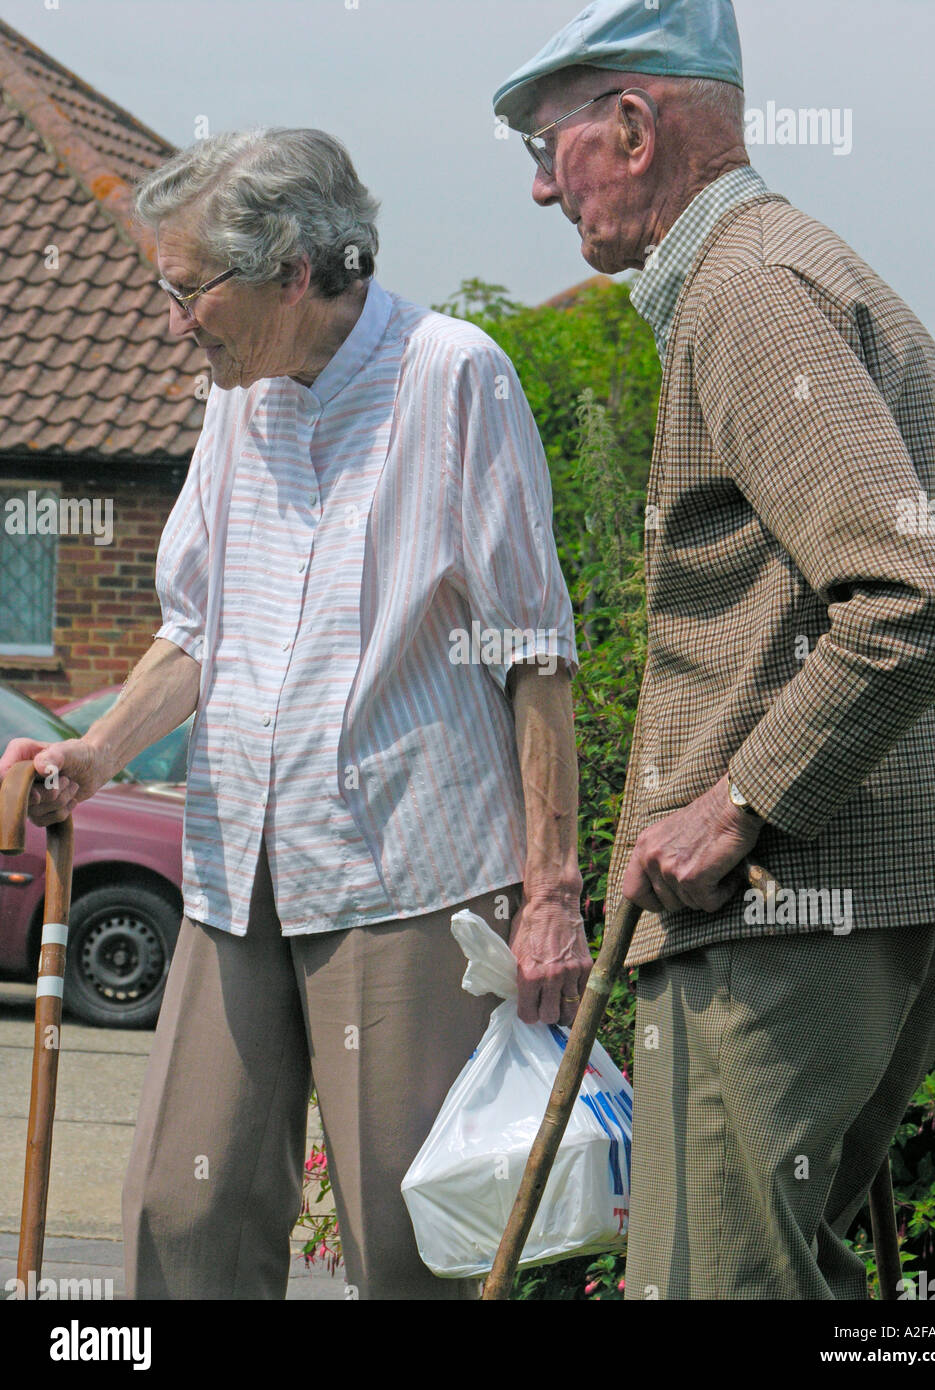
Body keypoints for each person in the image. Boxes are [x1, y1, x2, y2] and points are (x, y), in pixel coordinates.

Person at [0, 126, 591, 1300]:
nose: (176, 320)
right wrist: (97, 754)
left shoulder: (454, 376)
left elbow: (537, 656)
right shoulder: (240, 397)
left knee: (406, 1237)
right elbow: (196, 630)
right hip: (238, 868)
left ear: (297, 271)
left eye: (189, 289)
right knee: (184, 1206)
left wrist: (551, 895)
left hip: (409, 881)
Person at [494, 0, 935, 1299]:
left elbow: (914, 598)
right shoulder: (811, 269)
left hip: (784, 912)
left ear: (632, 122)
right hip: (877, 899)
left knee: (709, 1284)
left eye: (550, 144)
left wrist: (736, 803)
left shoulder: (746, 292)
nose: (541, 184)